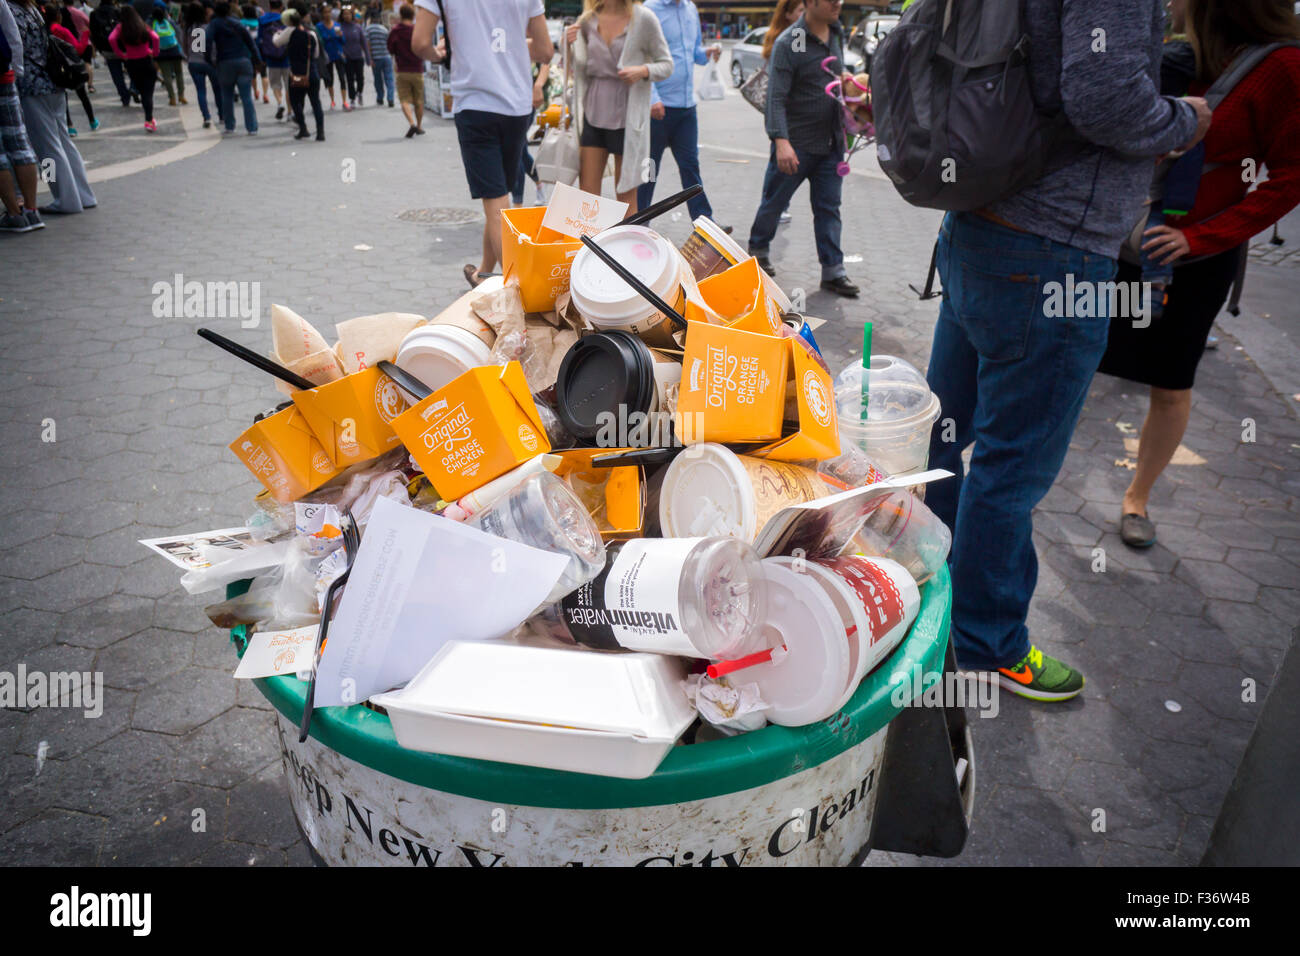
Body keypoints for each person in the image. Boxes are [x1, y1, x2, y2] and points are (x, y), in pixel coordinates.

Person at [922, 0, 1211, 702]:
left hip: (977, 223)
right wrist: (1185, 120)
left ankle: (925, 594)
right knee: (1009, 466)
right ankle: (988, 644)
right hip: (1052, 252)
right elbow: (1105, 97)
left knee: (942, 429)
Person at [1097, 0, 1300, 549]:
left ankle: (1136, 497)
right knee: (1074, 359)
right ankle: (1031, 486)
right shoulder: (1168, 50)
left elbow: (1289, 176)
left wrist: (1202, 237)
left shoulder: (1281, 67)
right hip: (1114, 244)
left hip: (1194, 262)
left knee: (1170, 383)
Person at [411, 0, 554, 287]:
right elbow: (545, 51)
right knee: (499, 193)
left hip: (475, 105)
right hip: (516, 107)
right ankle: (485, 270)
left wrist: (441, 54)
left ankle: (520, 293)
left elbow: (420, 43)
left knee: (496, 202)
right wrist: (510, 43)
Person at [746, 0, 857, 296]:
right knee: (774, 201)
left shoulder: (837, 32)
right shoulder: (789, 43)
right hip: (796, 145)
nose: (838, 3)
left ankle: (833, 272)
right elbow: (776, 97)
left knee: (829, 208)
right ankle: (757, 252)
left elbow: (838, 71)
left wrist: (847, 81)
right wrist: (781, 141)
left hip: (831, 142)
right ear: (809, 3)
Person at [565, 0, 671, 215]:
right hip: (593, 112)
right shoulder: (587, 20)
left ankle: (624, 247)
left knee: (625, 197)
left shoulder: (644, 18)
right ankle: (592, 248)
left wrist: (643, 70)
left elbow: (666, 64)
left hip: (629, 117)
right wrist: (568, 44)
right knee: (587, 196)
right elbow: (575, 66)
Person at [636, 0, 723, 224]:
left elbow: (693, 53)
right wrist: (652, 98)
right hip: (658, 108)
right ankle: (639, 223)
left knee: (690, 167)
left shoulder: (690, 9)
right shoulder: (650, 10)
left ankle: (705, 223)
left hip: (686, 108)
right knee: (649, 170)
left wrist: (707, 53)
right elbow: (643, 57)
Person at [6, 0, 95, 211]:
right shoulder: (32, 9)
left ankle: (64, 198)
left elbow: (16, 47)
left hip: (31, 85)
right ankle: (83, 195)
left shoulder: (11, 11)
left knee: (46, 148)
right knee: (63, 142)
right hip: (53, 82)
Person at [0, 0, 44, 232]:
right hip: (6, 76)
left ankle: (15, 214)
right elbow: (12, 35)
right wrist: (15, 72)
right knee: (20, 142)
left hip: (27, 83)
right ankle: (32, 210)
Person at [761, 0, 802, 225]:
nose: (803, 15)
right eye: (800, 11)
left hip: (785, 109)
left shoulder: (794, 36)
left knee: (777, 161)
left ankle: (775, 205)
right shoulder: (785, 39)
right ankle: (773, 206)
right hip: (780, 109)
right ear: (788, 14)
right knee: (777, 161)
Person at [208, 0, 261, 134]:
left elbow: (206, 41)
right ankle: (252, 127)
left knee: (227, 95)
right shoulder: (238, 23)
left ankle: (229, 125)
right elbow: (250, 42)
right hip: (243, 61)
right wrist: (257, 59)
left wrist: (208, 59)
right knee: (246, 97)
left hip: (225, 62)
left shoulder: (214, 24)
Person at [275, 4, 323, 140]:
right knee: (315, 102)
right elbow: (316, 54)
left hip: (296, 75)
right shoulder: (311, 34)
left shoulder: (290, 33)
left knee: (296, 102)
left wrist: (277, 34)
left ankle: (303, 128)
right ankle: (320, 132)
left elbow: (277, 43)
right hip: (311, 73)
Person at [109, 3, 159, 131]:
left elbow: (111, 39)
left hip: (132, 63)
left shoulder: (121, 28)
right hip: (147, 61)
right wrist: (154, 52)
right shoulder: (142, 25)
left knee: (143, 92)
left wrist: (121, 54)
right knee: (148, 93)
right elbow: (156, 37)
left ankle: (149, 119)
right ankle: (149, 119)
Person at [47, 5, 96, 134]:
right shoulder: (62, 31)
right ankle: (92, 120)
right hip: (71, 68)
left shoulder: (46, 31)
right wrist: (85, 35)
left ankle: (70, 126)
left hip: (55, 69)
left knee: (64, 98)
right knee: (83, 95)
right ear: (58, 16)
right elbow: (78, 48)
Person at [388, 2, 422, 136]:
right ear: (413, 15)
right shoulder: (416, 29)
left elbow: (390, 49)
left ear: (400, 15)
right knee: (419, 100)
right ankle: (419, 126)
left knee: (404, 100)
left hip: (402, 69)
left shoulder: (395, 31)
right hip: (417, 68)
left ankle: (412, 123)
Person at [90, 0, 133, 105]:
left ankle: (124, 96)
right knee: (132, 70)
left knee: (116, 75)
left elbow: (93, 33)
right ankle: (133, 88)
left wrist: (99, 49)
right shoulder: (118, 11)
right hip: (123, 47)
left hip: (107, 49)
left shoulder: (94, 14)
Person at [182, 1, 216, 127]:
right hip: (209, 62)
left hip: (194, 62)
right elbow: (213, 46)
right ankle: (222, 114)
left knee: (201, 91)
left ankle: (206, 117)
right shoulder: (208, 27)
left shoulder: (188, 28)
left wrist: (189, 56)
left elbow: (184, 47)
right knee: (216, 89)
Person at [257, 0, 289, 119]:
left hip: (271, 56)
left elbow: (260, 40)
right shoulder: (285, 19)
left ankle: (280, 103)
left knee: (275, 83)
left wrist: (262, 57)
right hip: (286, 56)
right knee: (288, 85)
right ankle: (290, 112)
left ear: (269, 6)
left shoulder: (262, 20)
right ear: (281, 6)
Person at [151, 0, 186, 106]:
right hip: (174, 50)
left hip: (161, 53)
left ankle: (172, 99)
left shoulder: (152, 24)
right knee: (179, 74)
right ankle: (181, 96)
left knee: (167, 76)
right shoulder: (169, 21)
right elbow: (178, 33)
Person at [363, 5, 392, 107]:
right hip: (386, 57)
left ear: (371, 19)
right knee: (389, 78)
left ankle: (380, 98)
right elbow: (389, 43)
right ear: (379, 19)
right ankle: (390, 98)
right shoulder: (384, 29)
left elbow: (368, 44)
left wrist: (369, 58)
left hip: (376, 58)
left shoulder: (368, 29)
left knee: (378, 79)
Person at [315, 3, 343, 108]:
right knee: (329, 78)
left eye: (329, 12)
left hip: (338, 54)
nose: (327, 14)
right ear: (322, 14)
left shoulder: (337, 25)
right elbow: (320, 41)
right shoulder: (318, 26)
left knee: (342, 77)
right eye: (325, 12)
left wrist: (340, 36)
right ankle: (332, 100)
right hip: (327, 56)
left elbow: (342, 41)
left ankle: (344, 100)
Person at [338, 4, 364, 109]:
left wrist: (368, 57)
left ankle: (360, 93)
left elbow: (363, 42)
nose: (347, 16)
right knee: (349, 79)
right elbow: (338, 43)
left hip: (358, 56)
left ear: (352, 15)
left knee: (360, 78)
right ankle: (352, 98)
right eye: (345, 14)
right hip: (347, 57)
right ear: (342, 16)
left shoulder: (357, 27)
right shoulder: (339, 27)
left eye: (348, 14)